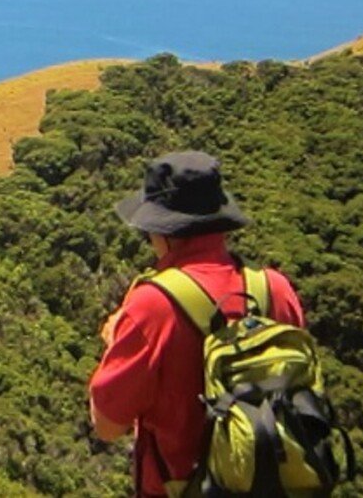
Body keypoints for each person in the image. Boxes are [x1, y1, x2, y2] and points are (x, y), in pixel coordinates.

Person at [88, 151, 307, 498]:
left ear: (161, 231)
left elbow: (107, 424)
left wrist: (116, 337)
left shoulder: (151, 306)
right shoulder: (274, 288)